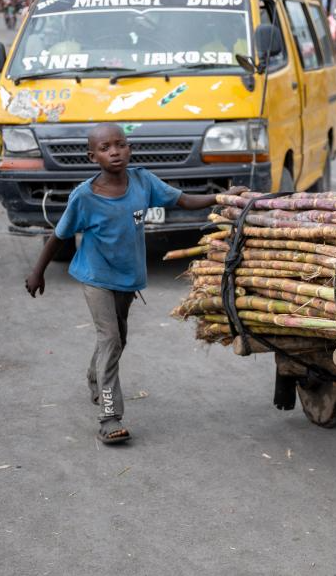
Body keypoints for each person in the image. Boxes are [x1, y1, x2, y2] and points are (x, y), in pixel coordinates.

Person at [24, 123, 244, 444]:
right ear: (92, 157)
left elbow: (183, 200)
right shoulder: (84, 197)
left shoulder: (143, 182)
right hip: (96, 277)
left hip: (128, 279)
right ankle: (109, 417)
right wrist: (38, 272)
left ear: (130, 149)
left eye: (120, 145)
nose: (114, 152)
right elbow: (59, 236)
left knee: (117, 339)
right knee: (110, 338)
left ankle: (96, 379)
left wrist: (222, 197)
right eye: (105, 148)